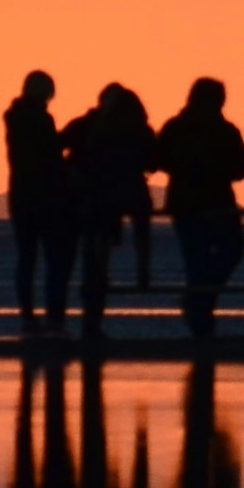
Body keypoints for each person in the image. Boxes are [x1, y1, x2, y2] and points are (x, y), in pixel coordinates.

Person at [153, 76, 244, 352]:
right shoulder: (224, 130)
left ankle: (199, 309)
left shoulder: (176, 127)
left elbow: (158, 159)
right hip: (215, 202)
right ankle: (200, 311)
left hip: (187, 203)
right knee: (226, 252)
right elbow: (241, 169)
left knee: (198, 259)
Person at [60, 80, 159, 336]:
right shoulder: (140, 129)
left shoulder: (97, 129)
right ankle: (143, 272)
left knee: (96, 258)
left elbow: (67, 149)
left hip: (101, 197)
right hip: (132, 193)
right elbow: (154, 161)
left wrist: (76, 174)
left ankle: (93, 317)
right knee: (139, 230)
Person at [2, 70, 68, 339]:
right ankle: (52, 319)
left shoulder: (14, 117)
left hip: (20, 196)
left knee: (27, 259)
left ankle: (28, 318)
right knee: (53, 261)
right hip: (45, 198)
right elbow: (50, 156)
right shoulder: (41, 119)